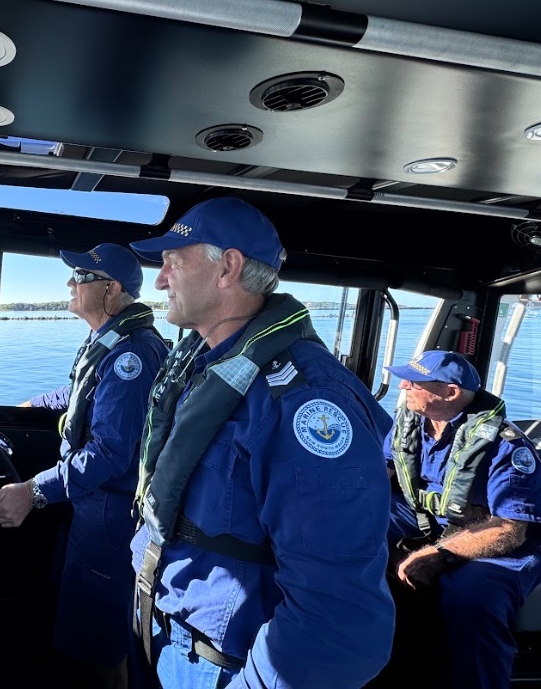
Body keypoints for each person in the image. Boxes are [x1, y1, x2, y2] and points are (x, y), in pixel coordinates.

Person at [127, 196, 396, 688]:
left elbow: (336, 622)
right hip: (161, 625)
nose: (160, 281)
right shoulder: (204, 367)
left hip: (219, 667)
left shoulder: (305, 401)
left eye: (171, 262)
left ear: (227, 267)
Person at [0, 242, 169, 689]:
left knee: (101, 639)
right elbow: (82, 393)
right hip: (92, 505)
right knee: (82, 624)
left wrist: (34, 491)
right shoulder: (111, 342)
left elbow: (109, 453)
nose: (70, 282)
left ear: (112, 290)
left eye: (82, 276)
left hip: (109, 514)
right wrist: (31, 406)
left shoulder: (131, 357)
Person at [378, 350, 541, 689]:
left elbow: (509, 531)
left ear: (450, 392)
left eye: (414, 383)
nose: (403, 386)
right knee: (355, 528)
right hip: (431, 520)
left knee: (471, 600)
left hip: (501, 541)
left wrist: (438, 554)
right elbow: (379, 477)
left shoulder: (505, 447)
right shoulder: (411, 425)